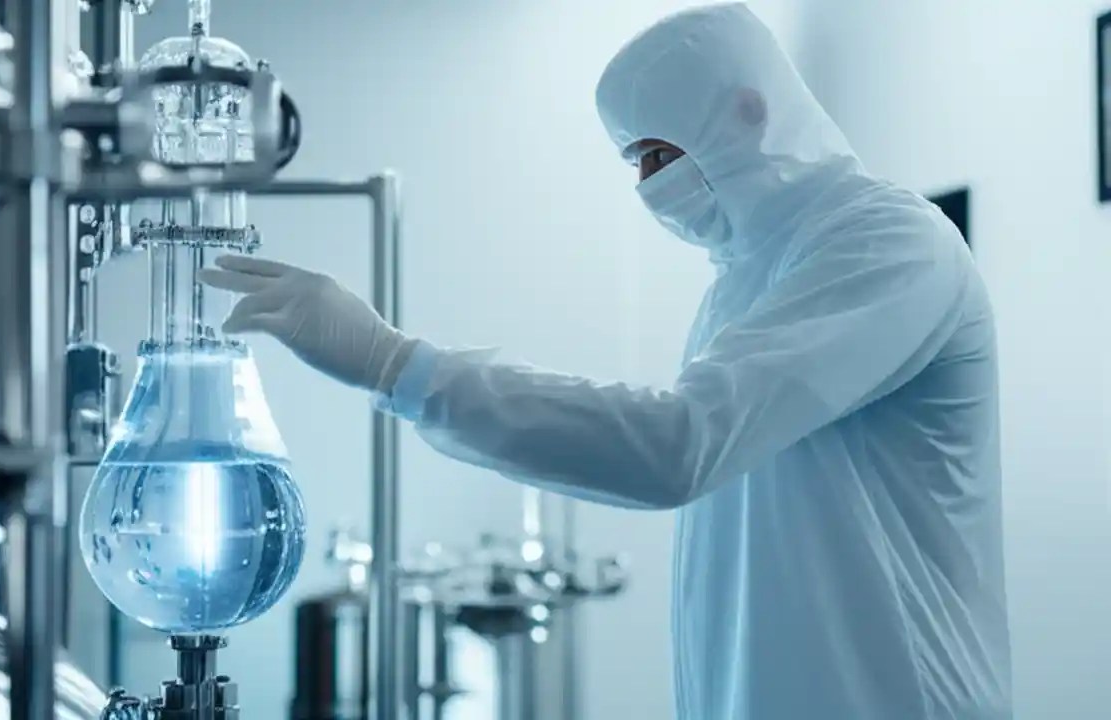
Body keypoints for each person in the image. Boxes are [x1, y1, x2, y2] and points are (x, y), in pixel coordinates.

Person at [199, 3, 1013, 718]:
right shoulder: (743, 284)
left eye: (660, 156)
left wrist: (396, 365)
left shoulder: (889, 244)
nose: (649, 187)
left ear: (749, 110)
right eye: (637, 165)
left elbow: (676, 444)